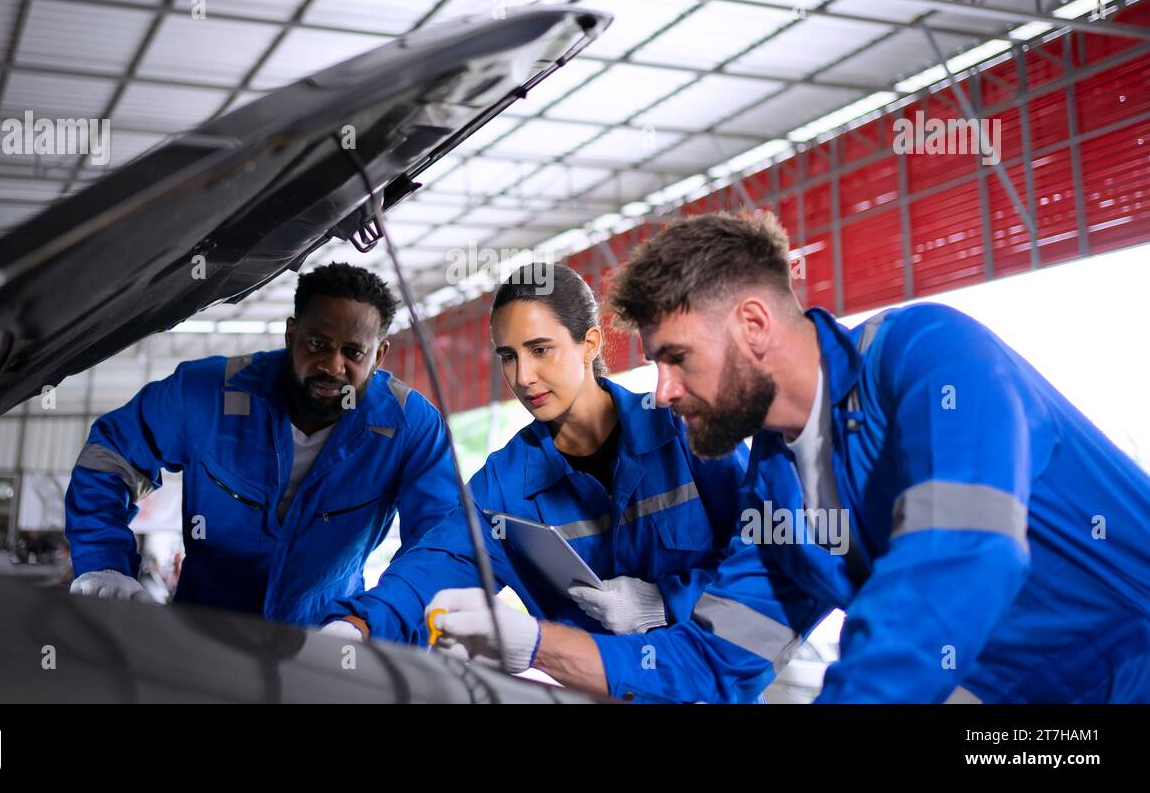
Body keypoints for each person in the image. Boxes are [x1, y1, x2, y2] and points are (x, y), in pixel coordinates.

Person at [435, 211, 1150, 702]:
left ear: (752, 324)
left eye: (677, 358)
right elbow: (712, 665)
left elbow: (961, 557)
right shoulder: (776, 498)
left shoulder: (931, 357)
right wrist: (530, 641)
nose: (663, 390)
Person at [320, 263, 748, 701]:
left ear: (589, 344)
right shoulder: (505, 486)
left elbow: (767, 567)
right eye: (508, 356)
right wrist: (357, 626)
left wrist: (665, 602)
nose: (522, 377)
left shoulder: (686, 434)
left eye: (540, 350)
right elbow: (434, 564)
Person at [65, 262, 459, 624]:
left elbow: (438, 542)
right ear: (292, 334)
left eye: (353, 352)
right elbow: (111, 456)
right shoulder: (205, 394)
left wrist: (369, 623)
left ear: (379, 356)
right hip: (201, 633)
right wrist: (105, 564)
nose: (332, 366)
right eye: (317, 344)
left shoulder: (411, 428)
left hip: (326, 643)